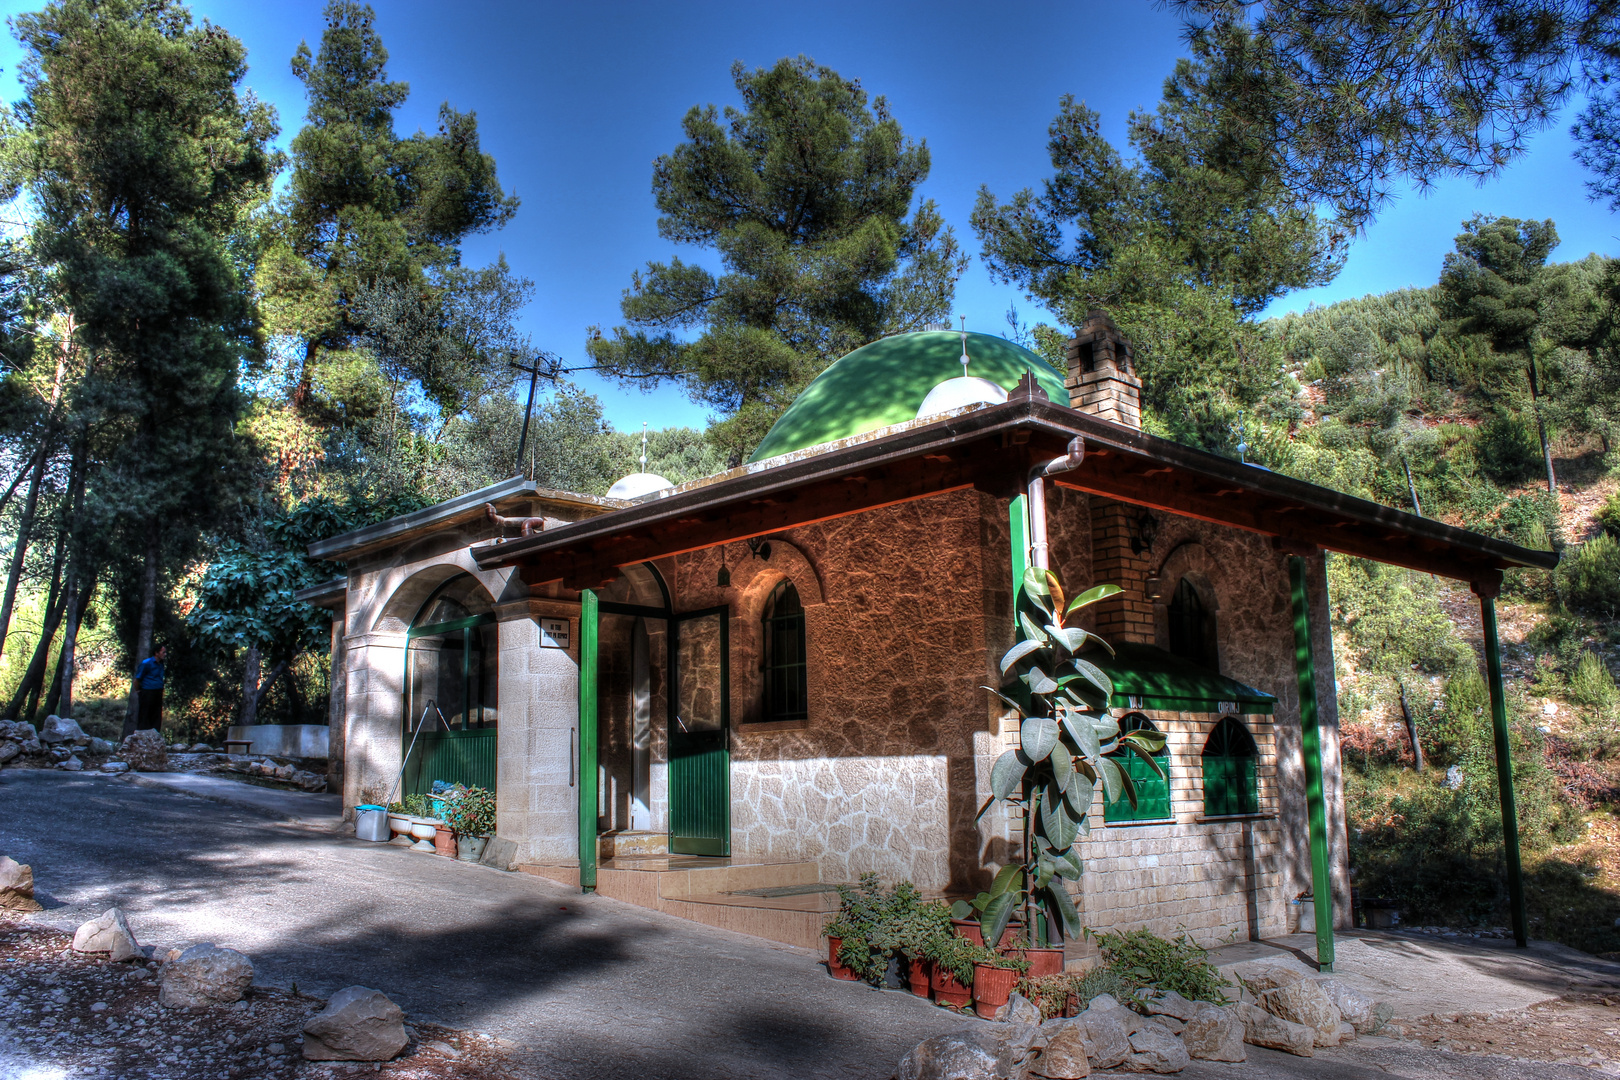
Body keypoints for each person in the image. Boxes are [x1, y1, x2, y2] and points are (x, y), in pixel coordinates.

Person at [134, 644, 166, 731]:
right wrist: (138, 691)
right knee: (145, 715)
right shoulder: (146, 663)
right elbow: (137, 679)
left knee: (156, 715)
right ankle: (142, 736)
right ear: (156, 653)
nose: (165, 654)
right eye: (163, 652)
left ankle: (155, 736)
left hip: (158, 692)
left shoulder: (161, 664)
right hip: (148, 691)